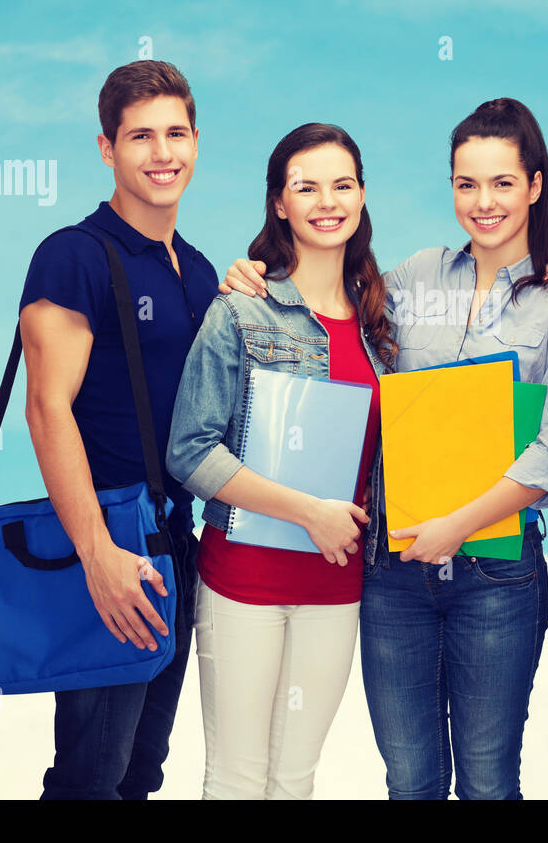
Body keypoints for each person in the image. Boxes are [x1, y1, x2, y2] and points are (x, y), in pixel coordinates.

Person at [224, 98, 548, 799]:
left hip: (498, 574)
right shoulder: (416, 276)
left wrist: (459, 526)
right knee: (411, 780)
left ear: (536, 186)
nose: (483, 202)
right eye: (466, 184)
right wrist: (252, 276)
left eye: (503, 183)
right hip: (393, 575)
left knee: (486, 780)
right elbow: (324, 306)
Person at [166, 123, 394, 800]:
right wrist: (308, 513)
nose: (327, 201)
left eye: (343, 185)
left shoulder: (386, 324)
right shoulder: (241, 309)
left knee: (294, 782)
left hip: (338, 586)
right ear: (279, 204)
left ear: (361, 196)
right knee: (237, 780)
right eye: (307, 187)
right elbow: (190, 451)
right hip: (243, 582)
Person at [19, 60, 220, 799]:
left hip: (177, 549)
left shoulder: (197, 272)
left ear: (197, 141)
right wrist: (97, 552)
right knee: (87, 780)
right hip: (109, 546)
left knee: (138, 775)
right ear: (107, 149)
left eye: (175, 134)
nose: (161, 153)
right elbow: (47, 409)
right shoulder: (72, 256)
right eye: (140, 136)